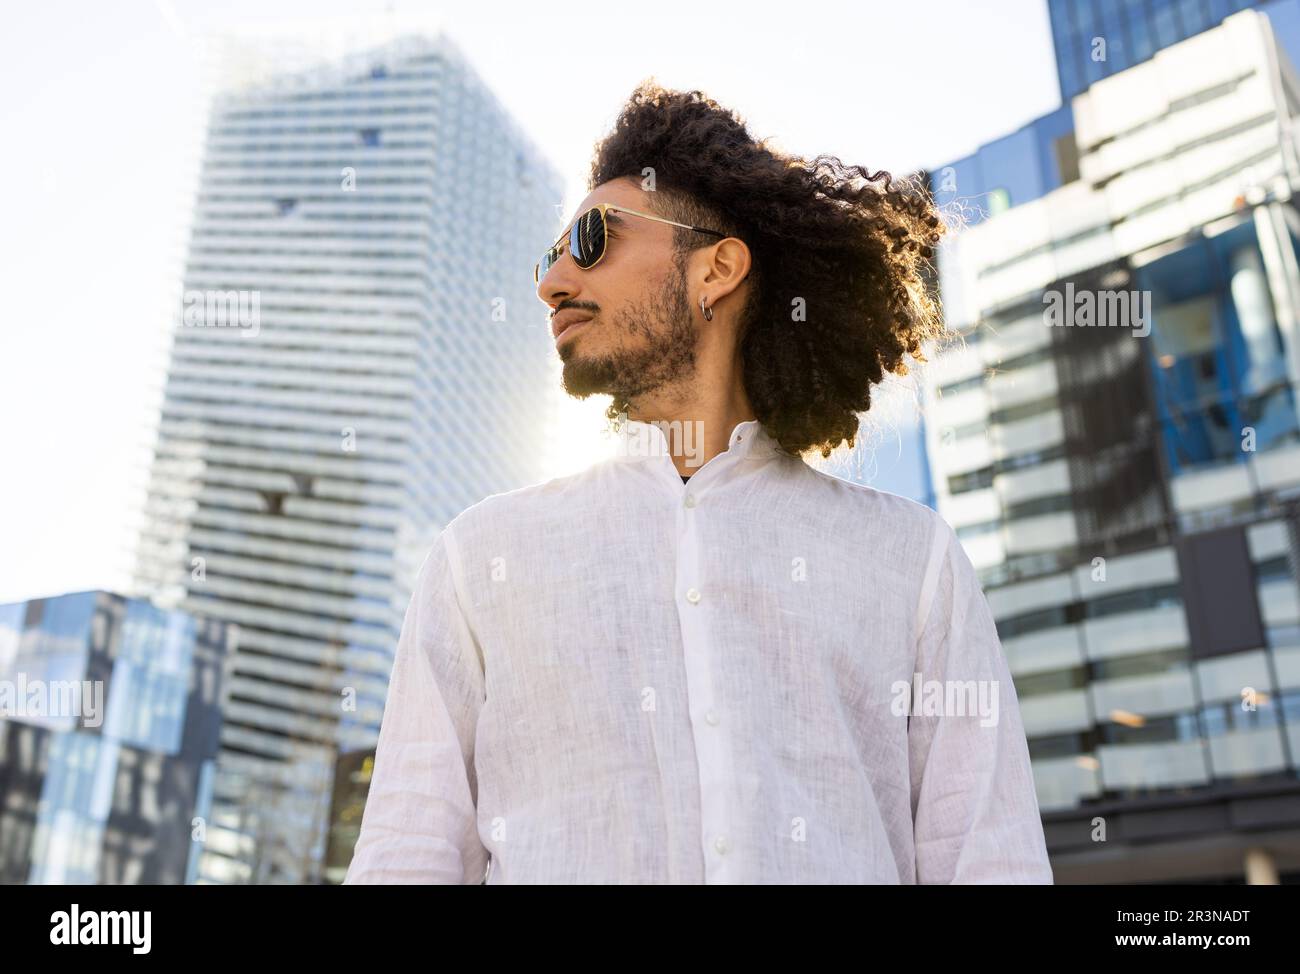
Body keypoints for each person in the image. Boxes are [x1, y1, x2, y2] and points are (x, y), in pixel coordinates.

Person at [344, 81, 1052, 884]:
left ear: (716, 268)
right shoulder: (480, 559)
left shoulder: (911, 562)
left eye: (591, 238)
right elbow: (406, 859)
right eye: (547, 259)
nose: (551, 283)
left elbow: (991, 863)